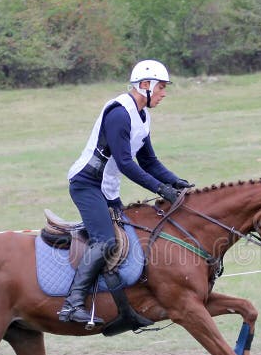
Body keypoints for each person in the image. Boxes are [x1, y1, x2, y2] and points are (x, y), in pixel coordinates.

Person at [58, 59, 193, 323]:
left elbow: (149, 161)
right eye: (162, 87)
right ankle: (72, 305)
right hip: (86, 184)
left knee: (130, 237)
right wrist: (160, 189)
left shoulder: (143, 116)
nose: (164, 93)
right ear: (145, 85)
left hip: (107, 188)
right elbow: (125, 164)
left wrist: (177, 182)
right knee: (106, 241)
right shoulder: (119, 114)